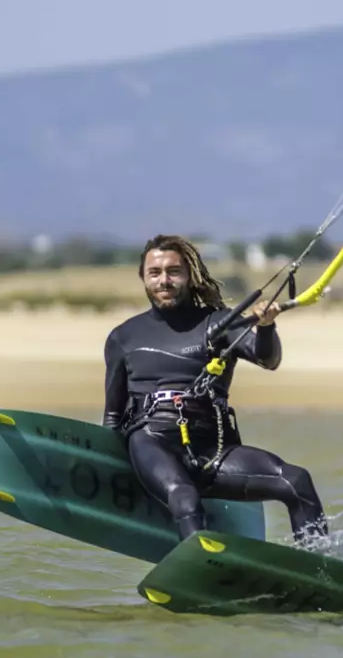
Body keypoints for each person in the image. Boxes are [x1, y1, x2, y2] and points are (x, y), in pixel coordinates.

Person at [101, 233, 328, 544]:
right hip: (152, 442)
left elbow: (268, 359)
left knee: (296, 481)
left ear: (190, 276)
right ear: (143, 277)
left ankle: (320, 569)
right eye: (155, 273)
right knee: (184, 496)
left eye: (173, 271)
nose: (164, 280)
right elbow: (113, 417)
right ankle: (201, 565)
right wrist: (104, 473)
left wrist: (265, 327)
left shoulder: (220, 322)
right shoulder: (123, 337)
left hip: (214, 448)